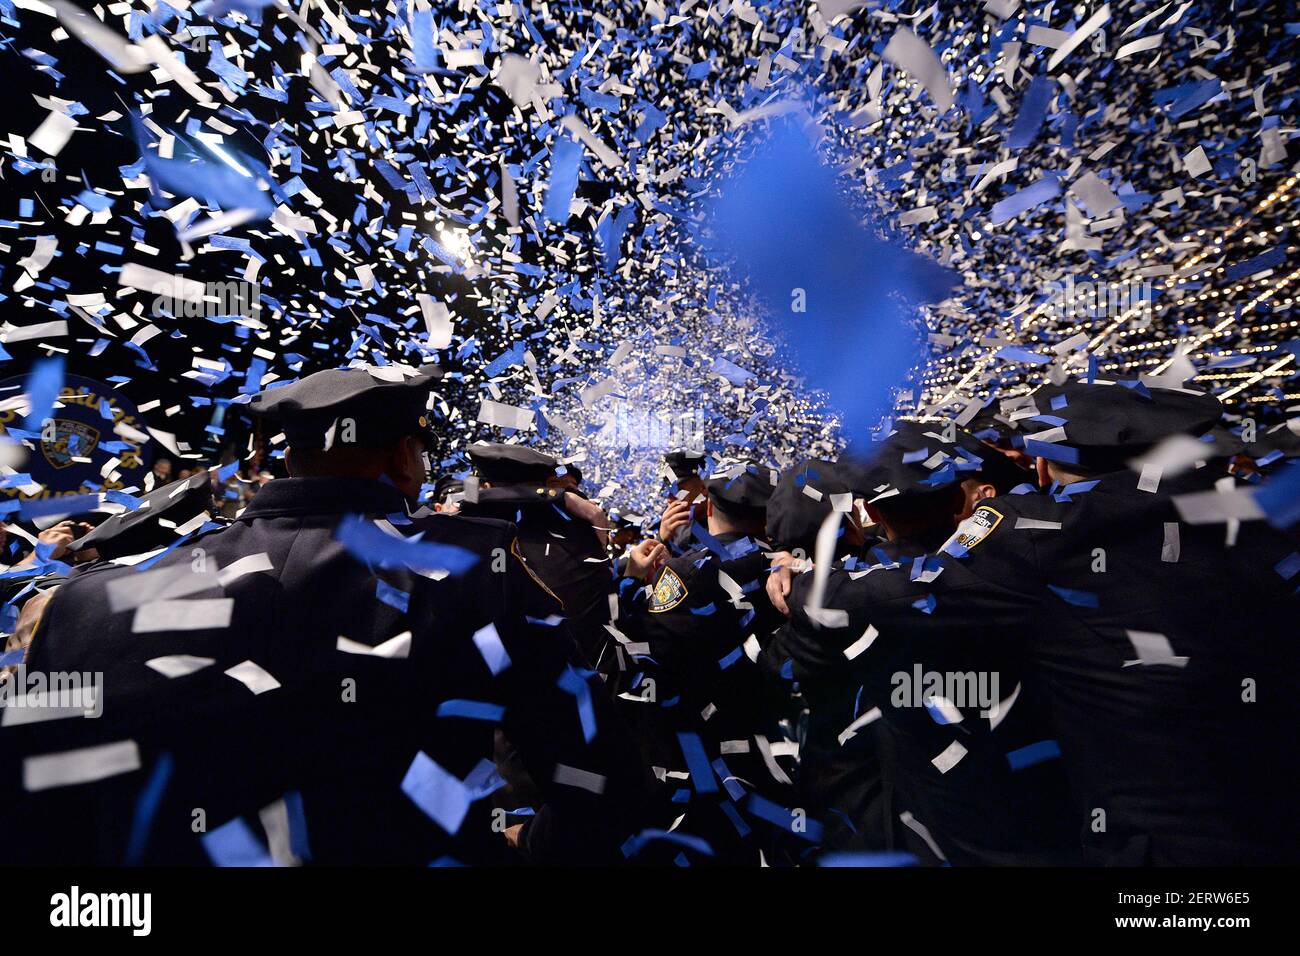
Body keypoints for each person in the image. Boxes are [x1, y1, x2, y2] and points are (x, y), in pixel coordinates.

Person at [3, 364, 651, 866]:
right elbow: (607, 786)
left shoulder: (86, 605)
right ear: (404, 457)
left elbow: (35, 827)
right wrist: (519, 851)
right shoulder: (482, 572)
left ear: (283, 457)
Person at [774, 380, 1300, 865]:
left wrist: (796, 577)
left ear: (1046, 468)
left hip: (1161, 843)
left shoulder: (1045, 538)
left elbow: (876, 596)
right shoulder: (1268, 519)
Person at [763, 424, 1078, 865]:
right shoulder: (1024, 557)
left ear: (870, 510)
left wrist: (794, 568)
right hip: (1047, 797)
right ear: (960, 501)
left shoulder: (845, 594)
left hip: (919, 819)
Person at [610, 460, 793, 863]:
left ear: (707, 504)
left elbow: (638, 656)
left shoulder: (683, 573)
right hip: (777, 743)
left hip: (697, 753)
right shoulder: (792, 565)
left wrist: (629, 581)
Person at [458, 442, 615, 670]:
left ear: (487, 487)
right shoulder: (579, 535)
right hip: (574, 688)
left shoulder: (463, 536)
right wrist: (556, 497)